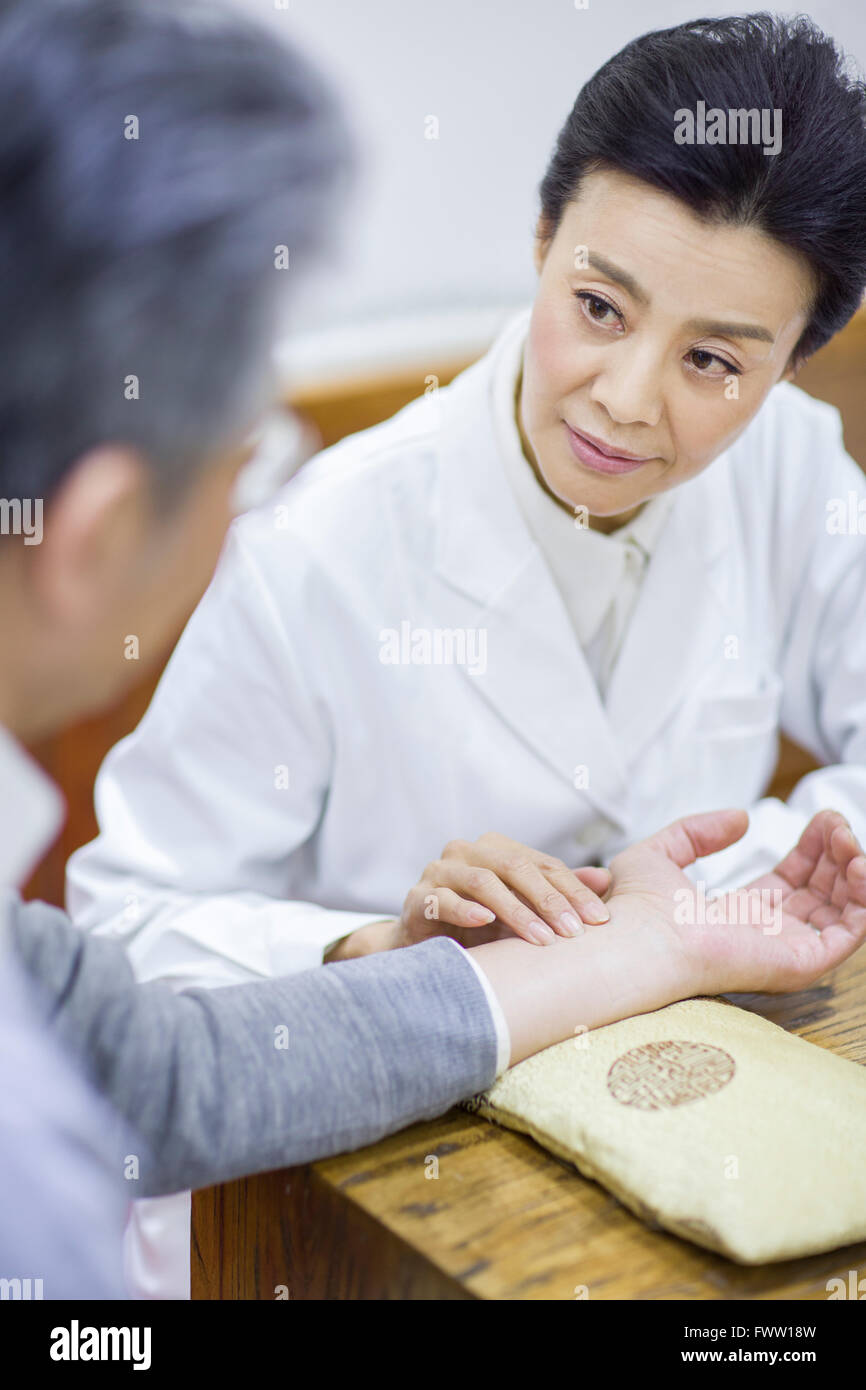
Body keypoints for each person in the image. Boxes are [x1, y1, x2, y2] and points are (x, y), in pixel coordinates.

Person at [9, 0, 860, 1302]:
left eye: (711, 361)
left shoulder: (791, 471)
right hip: (366, 1186)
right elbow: (124, 950)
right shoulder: (324, 538)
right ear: (537, 241)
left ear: (792, 361)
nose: (626, 397)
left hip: (675, 1113)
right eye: (594, 305)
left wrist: (746, 876)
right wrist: (372, 943)